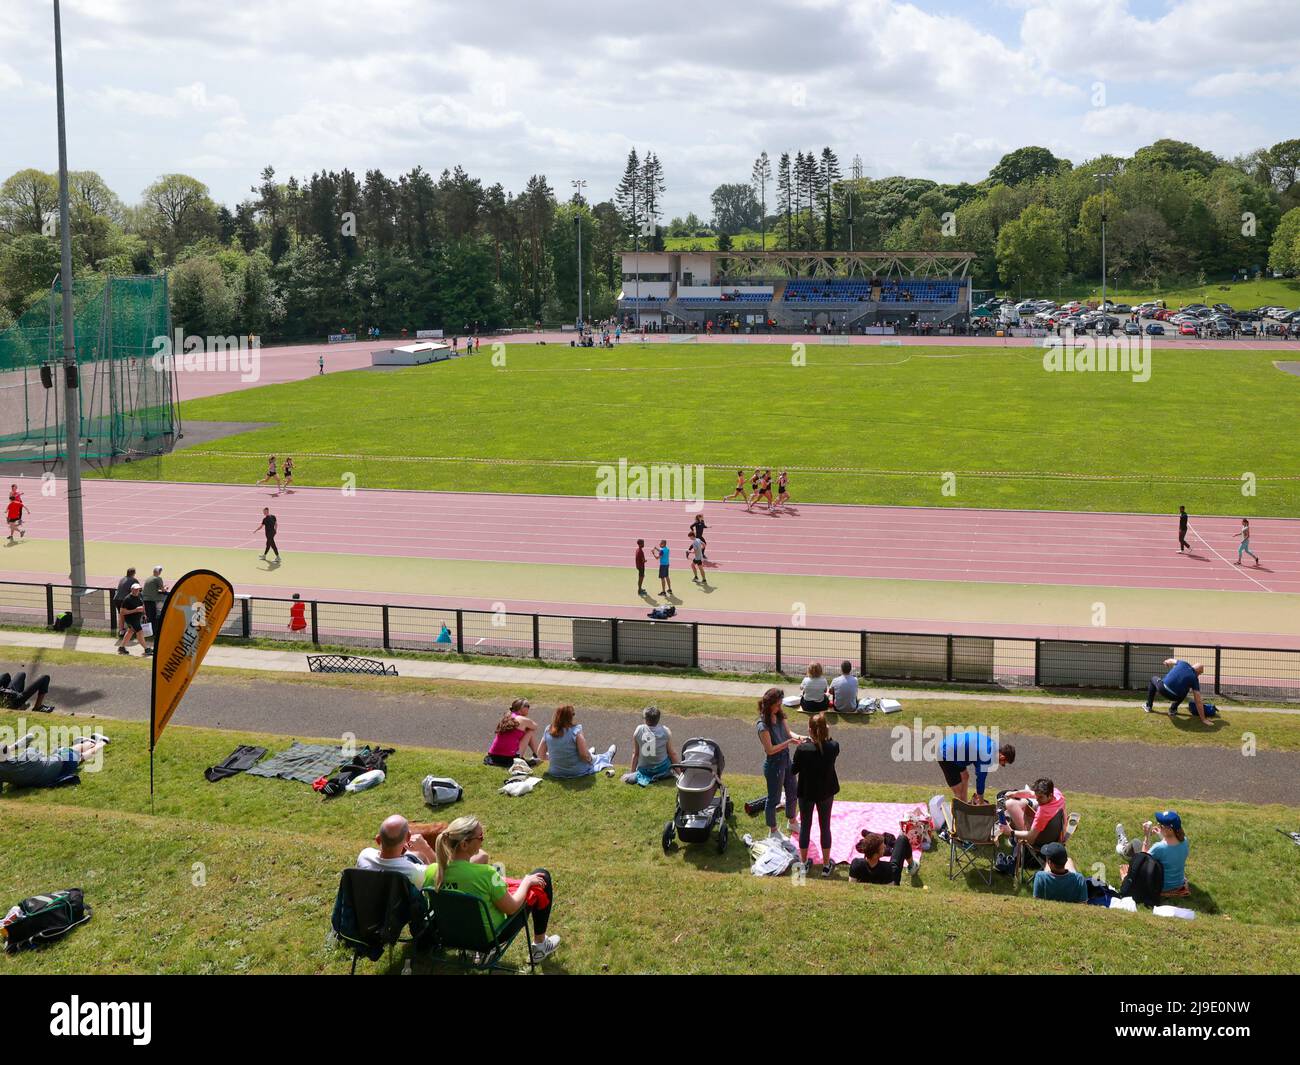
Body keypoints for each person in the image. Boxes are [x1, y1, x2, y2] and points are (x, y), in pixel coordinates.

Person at [430, 816, 559, 963]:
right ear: (464, 844)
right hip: (489, 939)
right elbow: (511, 908)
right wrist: (527, 881)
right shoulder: (486, 874)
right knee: (542, 875)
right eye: (480, 837)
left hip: (451, 937)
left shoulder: (433, 872)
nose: (482, 841)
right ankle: (540, 946)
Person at [791, 713, 839, 876]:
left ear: (810, 730)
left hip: (806, 793)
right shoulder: (833, 747)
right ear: (826, 729)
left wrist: (803, 745)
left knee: (805, 826)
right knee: (825, 827)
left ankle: (804, 863)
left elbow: (793, 770)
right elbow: (828, 743)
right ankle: (826, 865)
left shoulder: (802, 749)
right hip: (826, 792)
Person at [756, 687, 804, 838]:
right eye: (777, 704)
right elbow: (770, 750)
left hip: (786, 761)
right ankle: (773, 831)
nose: (779, 707)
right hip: (774, 766)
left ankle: (792, 821)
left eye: (780, 703)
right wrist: (789, 742)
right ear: (769, 704)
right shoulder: (762, 725)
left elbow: (789, 734)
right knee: (774, 799)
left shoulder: (780, 715)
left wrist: (802, 738)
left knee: (792, 792)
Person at [0, 732, 108, 791]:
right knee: (75, 754)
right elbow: (39, 752)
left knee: (70, 753)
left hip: (46, 780)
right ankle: (101, 742)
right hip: (59, 766)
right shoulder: (28, 754)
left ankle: (86, 742)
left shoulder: (2, 771)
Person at [1116, 810, 1189, 894]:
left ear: (1170, 830)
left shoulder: (1160, 847)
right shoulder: (1184, 841)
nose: (1158, 825)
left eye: (1161, 825)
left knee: (1136, 843)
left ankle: (1122, 848)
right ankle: (1124, 848)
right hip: (1178, 884)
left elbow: (1142, 859)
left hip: (1159, 886)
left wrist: (1146, 836)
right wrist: (1161, 834)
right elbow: (1171, 848)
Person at [356, 814, 436, 887]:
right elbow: (442, 873)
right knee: (421, 854)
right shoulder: (414, 872)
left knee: (417, 854)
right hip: (405, 902)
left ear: (378, 840)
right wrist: (426, 848)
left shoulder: (364, 856)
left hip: (371, 901)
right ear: (408, 838)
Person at [936, 730, 1015, 804]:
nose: (1001, 765)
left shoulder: (993, 746)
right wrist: (981, 802)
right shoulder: (986, 756)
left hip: (956, 750)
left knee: (965, 777)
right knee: (958, 790)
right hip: (945, 753)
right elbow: (980, 780)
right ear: (1002, 757)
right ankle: (959, 816)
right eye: (1003, 763)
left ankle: (965, 807)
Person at [536, 704, 615, 778]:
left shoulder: (548, 730)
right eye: (573, 714)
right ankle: (608, 756)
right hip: (576, 771)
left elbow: (540, 754)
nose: (574, 716)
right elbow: (584, 756)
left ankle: (591, 753)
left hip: (555, 772)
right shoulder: (576, 731)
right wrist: (591, 759)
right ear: (569, 717)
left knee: (586, 754)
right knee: (597, 758)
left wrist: (556, 757)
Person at [622, 705, 680, 785]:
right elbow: (672, 754)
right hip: (662, 769)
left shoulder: (638, 730)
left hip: (645, 770)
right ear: (658, 719)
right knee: (669, 755)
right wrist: (680, 773)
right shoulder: (665, 731)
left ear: (645, 719)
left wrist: (632, 772)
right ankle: (665, 774)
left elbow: (635, 754)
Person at [1000, 777, 1066, 847]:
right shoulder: (1057, 793)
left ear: (1050, 795)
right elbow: (1031, 793)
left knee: (1011, 804)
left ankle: (1017, 832)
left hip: (1041, 842)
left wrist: (1011, 832)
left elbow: (1031, 838)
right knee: (1016, 804)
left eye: (1040, 797)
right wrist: (1014, 793)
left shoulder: (1043, 812)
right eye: (1037, 796)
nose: (1037, 799)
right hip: (1058, 834)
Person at [1144, 658, 1208, 722]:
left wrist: (1166, 662)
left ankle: (1148, 706)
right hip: (1174, 697)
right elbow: (1198, 700)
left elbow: (1171, 660)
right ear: (1197, 672)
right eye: (1200, 673)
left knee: (1153, 678)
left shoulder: (1183, 663)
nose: (1199, 675)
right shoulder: (1194, 679)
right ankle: (1172, 710)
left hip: (1162, 689)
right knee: (1186, 690)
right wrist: (1203, 719)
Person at [485, 698, 541, 767]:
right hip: (509, 758)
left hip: (493, 756)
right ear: (521, 708)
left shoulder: (507, 717)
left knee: (520, 732)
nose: (528, 708)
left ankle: (537, 755)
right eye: (527, 706)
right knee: (530, 732)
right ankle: (538, 756)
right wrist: (526, 727)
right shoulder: (522, 719)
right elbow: (535, 726)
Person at [849, 830, 919, 885]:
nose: (885, 847)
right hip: (890, 879)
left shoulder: (856, 864)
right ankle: (912, 866)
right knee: (902, 839)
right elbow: (891, 889)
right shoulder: (888, 868)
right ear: (875, 855)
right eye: (882, 848)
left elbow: (852, 885)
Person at [117, 582, 151, 656]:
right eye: (135, 589)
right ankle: (146, 649)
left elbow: (142, 604)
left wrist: (144, 614)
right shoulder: (127, 599)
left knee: (130, 632)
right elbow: (122, 611)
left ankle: (121, 648)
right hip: (131, 619)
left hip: (137, 618)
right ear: (131, 589)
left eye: (138, 589)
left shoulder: (140, 595)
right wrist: (135, 610)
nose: (137, 591)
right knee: (140, 633)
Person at [142, 566, 166, 643]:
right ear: (159, 572)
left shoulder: (149, 578)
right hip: (152, 600)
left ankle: (149, 634)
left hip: (145, 600)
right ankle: (154, 634)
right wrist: (165, 588)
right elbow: (163, 589)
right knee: (154, 617)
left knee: (149, 617)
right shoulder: (158, 579)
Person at [112, 567, 138, 639]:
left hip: (117, 599)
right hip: (124, 600)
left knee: (121, 615)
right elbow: (138, 590)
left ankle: (121, 631)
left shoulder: (122, 579)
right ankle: (131, 631)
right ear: (133, 573)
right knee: (131, 614)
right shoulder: (134, 580)